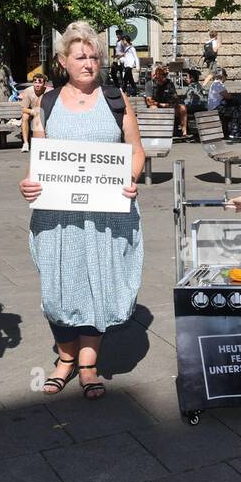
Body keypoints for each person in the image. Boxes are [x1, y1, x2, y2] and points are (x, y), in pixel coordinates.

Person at [19, 21, 144, 400]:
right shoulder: (48, 102)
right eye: (80, 57)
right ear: (63, 61)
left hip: (107, 213)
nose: (88, 63)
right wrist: (29, 183)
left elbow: (135, 150)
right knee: (58, 286)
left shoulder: (116, 99)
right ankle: (64, 359)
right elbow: (40, 158)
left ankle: (88, 364)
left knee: (99, 284)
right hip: (58, 216)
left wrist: (132, 177)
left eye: (93, 56)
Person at [143, 64, 189, 137]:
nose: (164, 76)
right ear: (157, 75)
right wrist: (160, 104)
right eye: (162, 74)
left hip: (169, 105)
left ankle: (184, 133)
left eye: (165, 74)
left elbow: (175, 97)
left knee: (182, 108)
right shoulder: (150, 84)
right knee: (154, 108)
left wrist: (173, 101)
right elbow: (149, 101)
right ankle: (158, 132)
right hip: (157, 106)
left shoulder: (169, 83)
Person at [19, 72, 49, 152]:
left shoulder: (48, 92)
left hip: (44, 113)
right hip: (32, 112)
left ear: (44, 84)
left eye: (40, 82)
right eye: (35, 82)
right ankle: (25, 144)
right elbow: (23, 108)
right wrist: (32, 111)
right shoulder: (28, 91)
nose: (37, 85)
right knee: (25, 116)